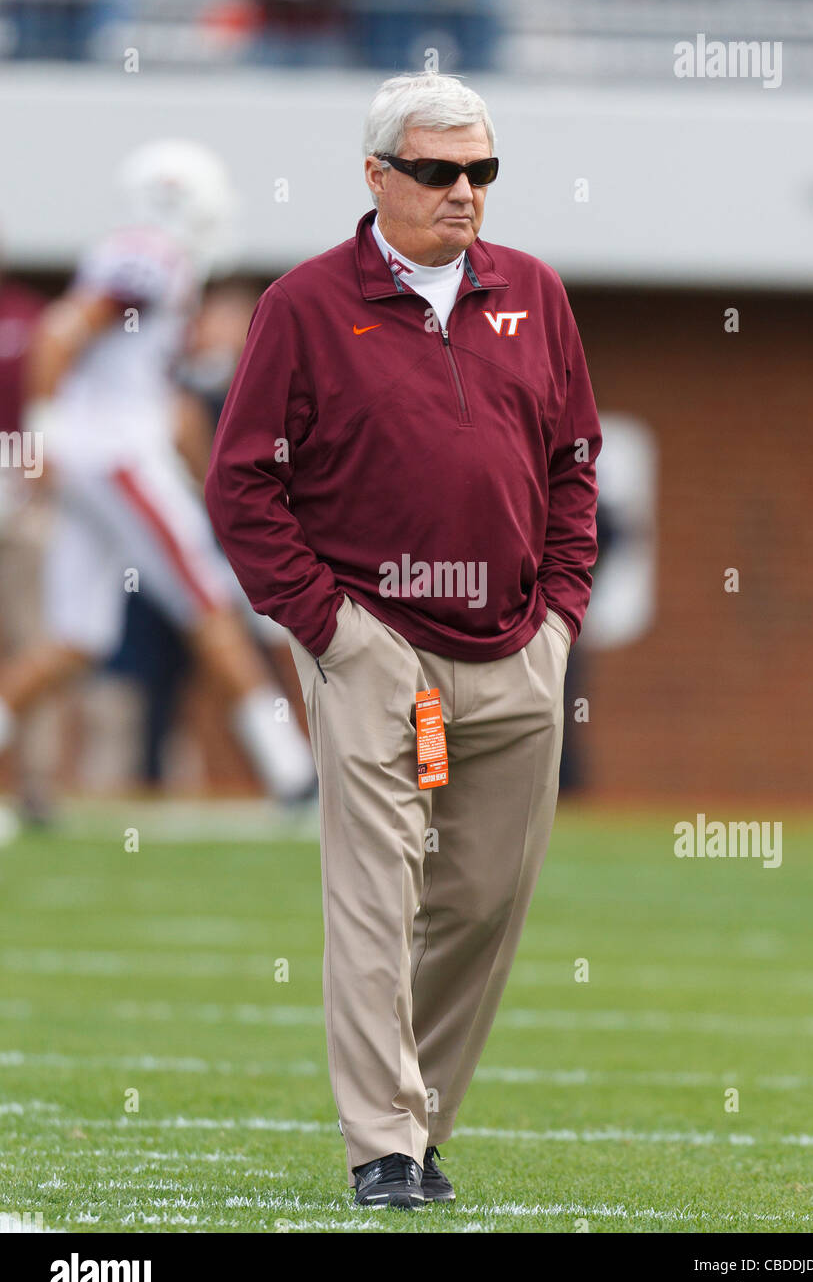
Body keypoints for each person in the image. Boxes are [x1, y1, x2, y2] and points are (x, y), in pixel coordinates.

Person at [205, 72, 601, 1208]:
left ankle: (418, 1120)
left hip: (517, 643)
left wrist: (562, 616)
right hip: (373, 637)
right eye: (436, 171)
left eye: (480, 170)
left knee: (479, 903)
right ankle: (380, 1141)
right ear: (376, 175)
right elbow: (241, 487)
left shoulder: (536, 292)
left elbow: (574, 467)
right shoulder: (301, 306)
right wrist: (330, 629)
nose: (462, 191)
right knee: (376, 897)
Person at [0, 140, 316, 809]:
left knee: (75, 639)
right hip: (115, 453)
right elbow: (60, 332)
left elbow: (128, 358)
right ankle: (295, 777)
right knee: (206, 597)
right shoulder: (152, 253)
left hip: (100, 453)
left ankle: (292, 773)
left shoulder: (144, 258)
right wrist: (43, 431)